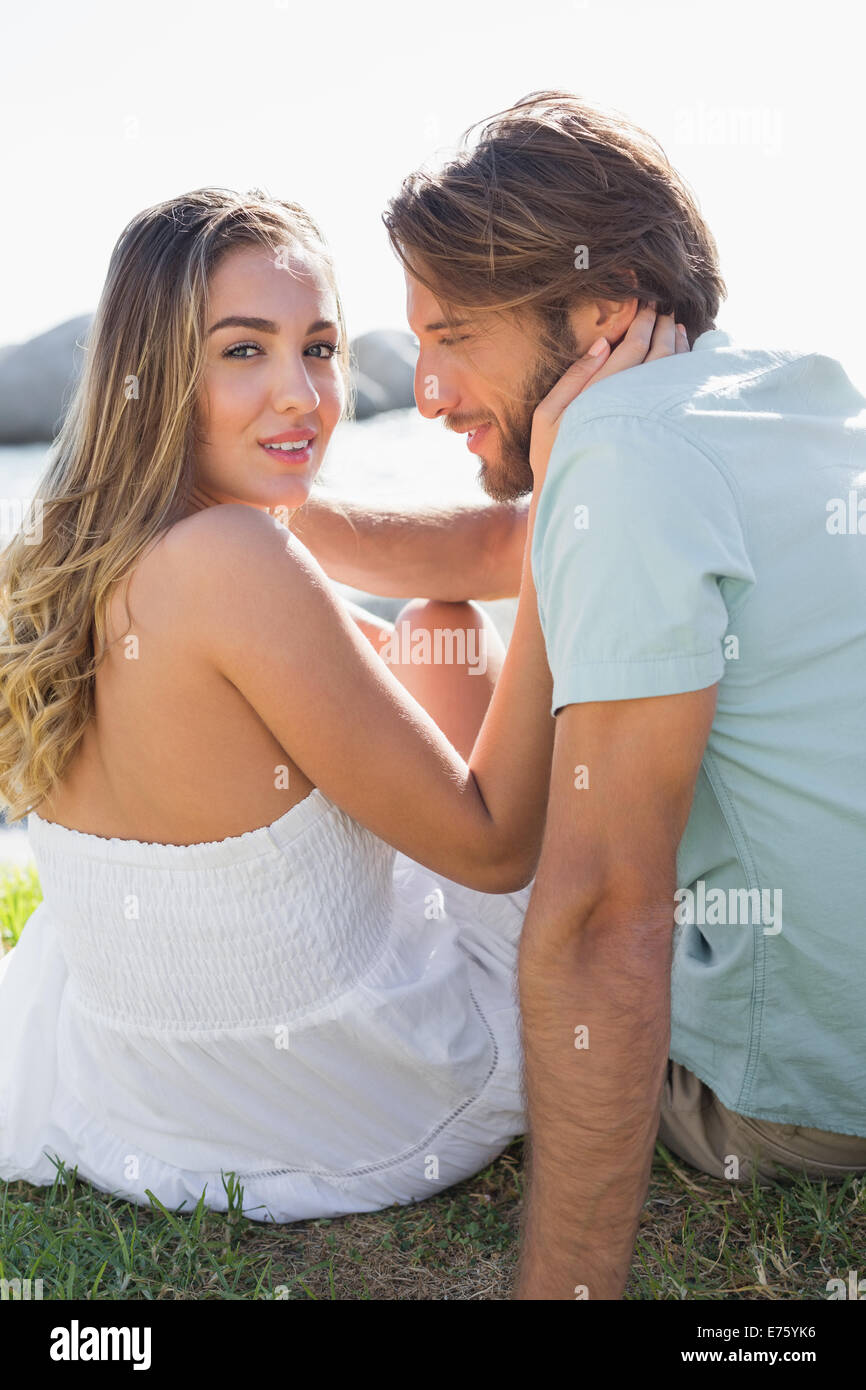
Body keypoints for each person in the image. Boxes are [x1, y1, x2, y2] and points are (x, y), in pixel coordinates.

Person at [0, 186, 677, 1225]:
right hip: (341, 1105)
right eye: (242, 351)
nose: (302, 394)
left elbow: (493, 541)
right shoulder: (237, 555)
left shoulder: (75, 551)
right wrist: (578, 528)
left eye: (317, 348)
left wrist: (566, 447)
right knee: (440, 628)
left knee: (425, 624)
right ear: (157, 370)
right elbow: (492, 850)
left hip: (146, 1101)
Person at [296, 90, 866, 1299]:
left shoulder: (621, 458)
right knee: (443, 635)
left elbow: (609, 913)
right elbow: (514, 549)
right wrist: (278, 513)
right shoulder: (787, 397)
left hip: (782, 1102)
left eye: (455, 337)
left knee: (445, 682)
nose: (430, 387)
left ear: (599, 311)